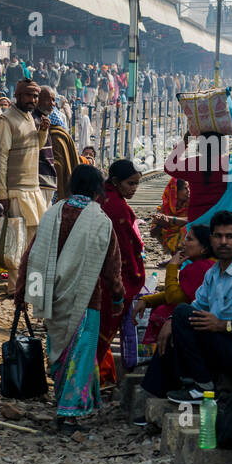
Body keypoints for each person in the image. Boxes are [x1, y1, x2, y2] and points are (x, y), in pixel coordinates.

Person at [17, 164, 123, 435]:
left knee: (60, 350)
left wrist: (22, 290)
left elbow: (31, 255)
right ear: (98, 189)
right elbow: (111, 268)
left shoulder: (52, 213)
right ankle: (70, 415)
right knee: (80, 355)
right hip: (86, 299)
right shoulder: (101, 221)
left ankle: (63, 406)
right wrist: (118, 297)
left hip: (51, 297)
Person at [142, 210, 232, 404]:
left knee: (181, 315)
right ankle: (153, 396)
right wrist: (170, 322)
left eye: (230, 237)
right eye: (218, 236)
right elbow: (197, 305)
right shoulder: (213, 273)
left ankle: (202, 387)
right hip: (220, 344)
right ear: (211, 240)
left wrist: (225, 325)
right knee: (176, 323)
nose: (223, 242)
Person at [0, 80, 52, 290]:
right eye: (29, 96)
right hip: (16, 189)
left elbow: (33, 148)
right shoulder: (5, 120)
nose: (33, 100)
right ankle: (14, 287)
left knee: (33, 240)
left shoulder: (30, 117)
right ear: (18, 95)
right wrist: (3, 194)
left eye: (35, 96)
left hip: (33, 187)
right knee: (17, 240)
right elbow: (1, 158)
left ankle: (28, 286)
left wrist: (42, 133)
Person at [97, 160, 145, 385]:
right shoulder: (117, 208)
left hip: (96, 274)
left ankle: (98, 375)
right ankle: (93, 378)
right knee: (105, 323)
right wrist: (135, 276)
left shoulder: (104, 198)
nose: (134, 189)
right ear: (115, 182)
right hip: (111, 278)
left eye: (137, 184)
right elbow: (124, 249)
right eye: (130, 183)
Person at [135, 222, 215, 352]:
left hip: (201, 321)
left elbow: (174, 297)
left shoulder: (198, 268)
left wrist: (172, 267)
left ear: (204, 249)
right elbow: (181, 293)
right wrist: (147, 300)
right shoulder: (207, 265)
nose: (183, 243)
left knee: (163, 311)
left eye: (189, 239)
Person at [150, 176, 190, 255]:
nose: (188, 191)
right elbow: (153, 234)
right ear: (174, 192)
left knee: (187, 229)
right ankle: (175, 256)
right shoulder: (165, 207)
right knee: (161, 229)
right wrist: (160, 224)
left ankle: (185, 256)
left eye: (188, 188)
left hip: (188, 240)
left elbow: (192, 220)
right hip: (173, 238)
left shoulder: (191, 203)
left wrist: (169, 219)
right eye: (185, 188)